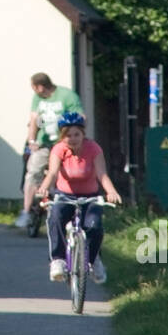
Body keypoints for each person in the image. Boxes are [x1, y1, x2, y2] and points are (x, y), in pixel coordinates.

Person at [37, 112, 121, 284]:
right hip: (65, 195)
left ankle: (94, 260)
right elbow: (52, 173)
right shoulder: (59, 149)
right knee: (55, 217)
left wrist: (111, 191)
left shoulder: (93, 149)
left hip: (89, 196)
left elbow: (102, 174)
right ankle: (58, 260)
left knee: (94, 225)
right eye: (68, 135)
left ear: (83, 134)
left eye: (77, 134)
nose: (73, 138)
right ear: (62, 136)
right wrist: (44, 187)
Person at [14, 73, 84, 227]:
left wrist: (74, 139)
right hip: (43, 144)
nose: (34, 91)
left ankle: (68, 207)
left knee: (66, 172)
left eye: (33, 87)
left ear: (40, 87)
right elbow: (33, 121)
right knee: (33, 171)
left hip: (64, 143)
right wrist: (32, 140)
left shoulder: (67, 96)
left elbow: (81, 118)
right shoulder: (38, 99)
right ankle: (26, 211)